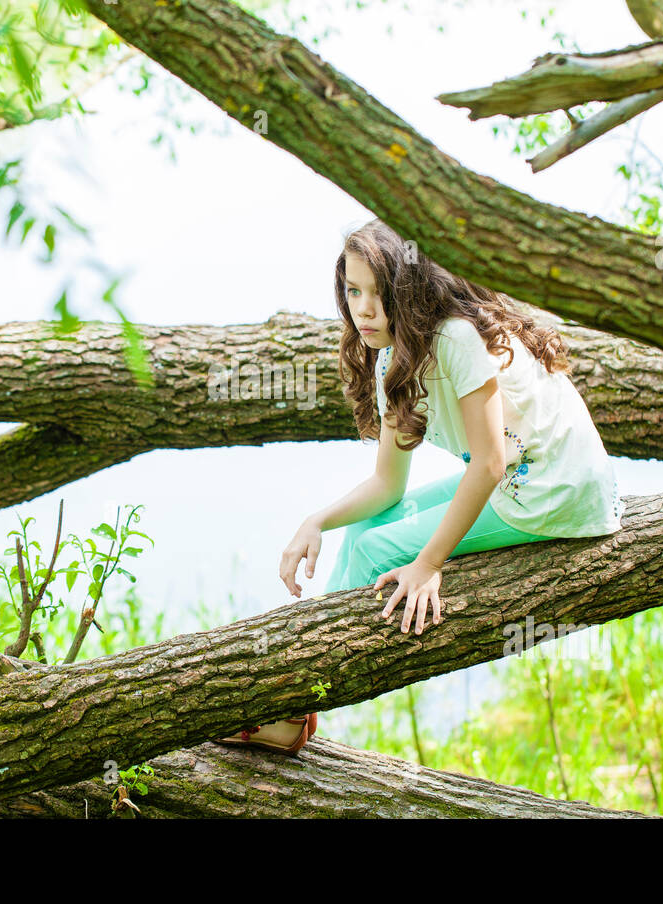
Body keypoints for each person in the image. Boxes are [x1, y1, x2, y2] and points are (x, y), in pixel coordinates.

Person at [214, 218, 625, 756]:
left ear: (408, 292)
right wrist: (315, 520)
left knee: (379, 550)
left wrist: (429, 564)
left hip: (554, 487)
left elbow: (489, 464)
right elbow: (387, 486)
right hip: (526, 475)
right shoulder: (395, 357)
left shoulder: (455, 338)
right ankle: (294, 699)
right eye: (352, 291)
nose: (362, 309)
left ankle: (287, 700)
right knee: (365, 527)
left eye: (378, 294)